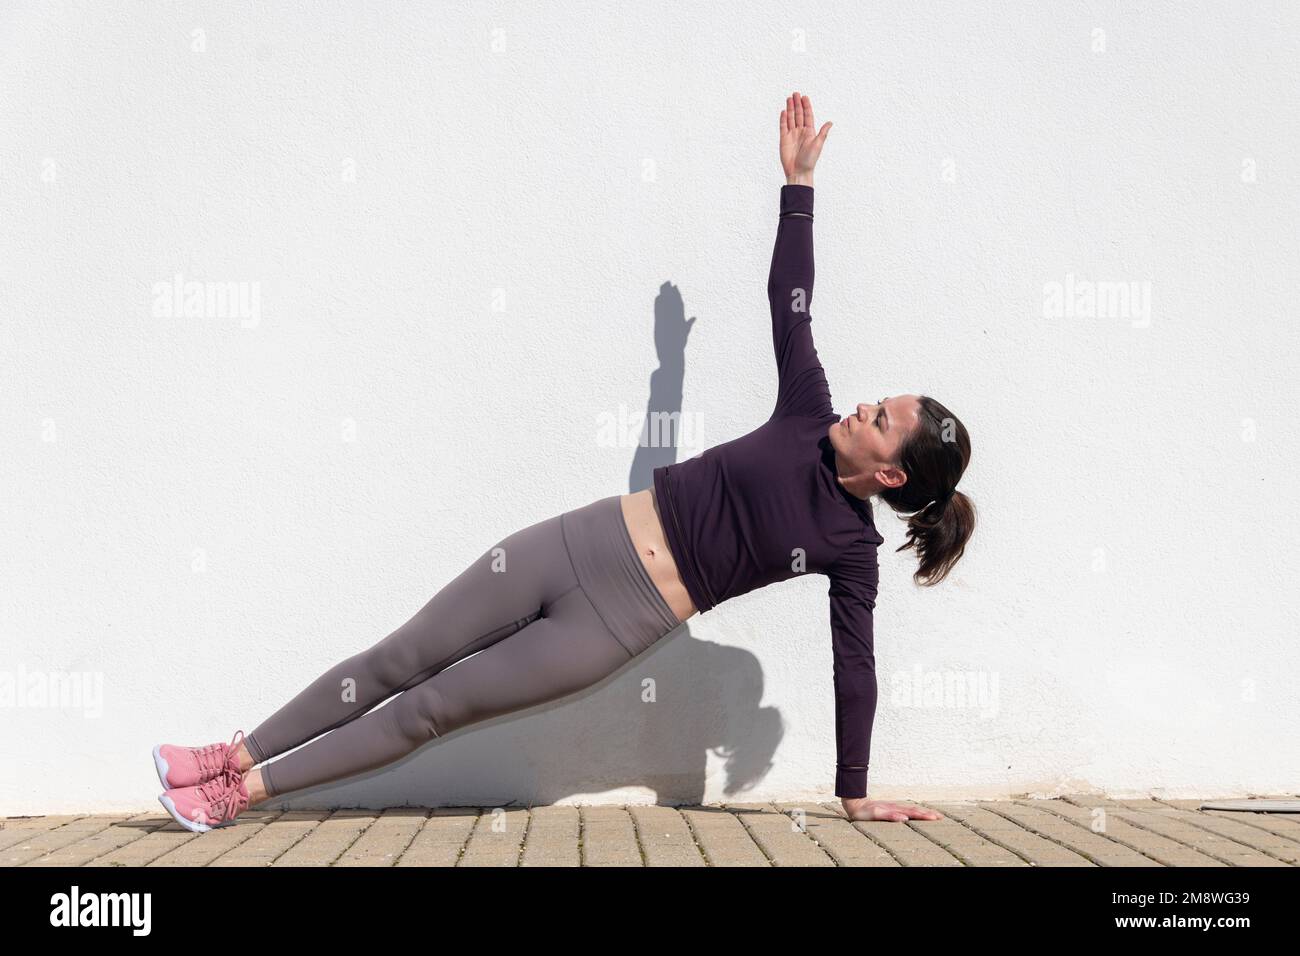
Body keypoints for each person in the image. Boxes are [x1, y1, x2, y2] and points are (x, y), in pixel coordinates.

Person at [153, 91, 975, 833]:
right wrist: (797, 190)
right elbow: (789, 298)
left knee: (431, 709)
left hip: (613, 624)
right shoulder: (807, 406)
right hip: (571, 544)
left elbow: (854, 666)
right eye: (880, 400)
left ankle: (242, 798)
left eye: (883, 417)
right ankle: (230, 755)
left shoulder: (851, 549)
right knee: (397, 658)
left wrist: (855, 789)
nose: (866, 404)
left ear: (892, 472)